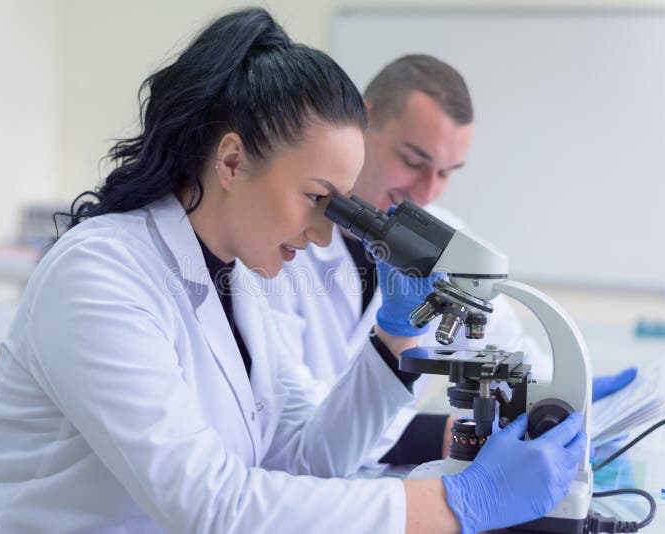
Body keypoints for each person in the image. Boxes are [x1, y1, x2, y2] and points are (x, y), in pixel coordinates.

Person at [0, 10, 587, 534]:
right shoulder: (99, 277)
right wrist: (461, 501)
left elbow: (302, 456)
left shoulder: (237, 282)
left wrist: (396, 344)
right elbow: (213, 506)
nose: (327, 231)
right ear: (232, 162)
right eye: (317, 199)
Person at [267, 54, 636, 465]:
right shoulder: (277, 244)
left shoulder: (446, 239)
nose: (426, 193)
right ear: (362, 123)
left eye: (445, 173)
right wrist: (443, 436)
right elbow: (298, 425)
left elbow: (506, 349)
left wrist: (566, 390)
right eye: (413, 161)